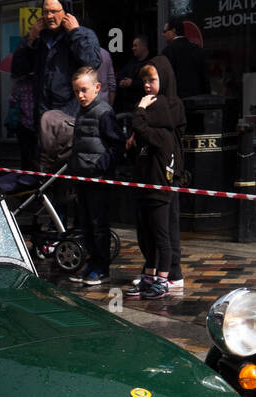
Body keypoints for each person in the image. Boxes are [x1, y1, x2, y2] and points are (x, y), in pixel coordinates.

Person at [11, 0, 100, 169]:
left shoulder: (83, 34)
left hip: (71, 115)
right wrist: (30, 40)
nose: (49, 16)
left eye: (53, 11)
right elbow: (18, 69)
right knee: (45, 169)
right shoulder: (39, 38)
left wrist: (75, 33)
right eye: (45, 12)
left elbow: (93, 62)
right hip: (44, 118)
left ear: (66, 12)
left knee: (69, 169)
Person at [126, 57, 186, 300]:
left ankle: (170, 274)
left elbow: (156, 132)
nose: (148, 85)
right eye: (145, 81)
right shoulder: (153, 104)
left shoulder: (170, 105)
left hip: (166, 175)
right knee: (150, 231)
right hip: (149, 174)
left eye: (152, 80)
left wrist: (140, 119)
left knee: (166, 228)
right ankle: (152, 274)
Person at [67, 66, 125, 285]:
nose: (80, 95)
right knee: (87, 224)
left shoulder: (104, 112)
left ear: (97, 88)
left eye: (83, 90)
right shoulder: (82, 112)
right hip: (83, 177)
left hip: (97, 178)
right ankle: (92, 263)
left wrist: (100, 166)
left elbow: (117, 145)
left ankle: (102, 268)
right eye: (76, 91)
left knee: (98, 224)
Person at [161, 16, 209, 99]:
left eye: (165, 31)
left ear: (173, 31)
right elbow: (204, 77)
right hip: (198, 99)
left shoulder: (168, 51)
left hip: (178, 101)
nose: (163, 35)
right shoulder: (197, 49)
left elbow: (165, 80)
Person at [115, 36, 151, 112]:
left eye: (135, 46)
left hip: (144, 105)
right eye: (133, 46)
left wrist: (132, 83)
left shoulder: (151, 63)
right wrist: (122, 81)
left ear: (143, 47)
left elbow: (151, 83)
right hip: (129, 105)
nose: (133, 48)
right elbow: (121, 74)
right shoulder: (132, 62)